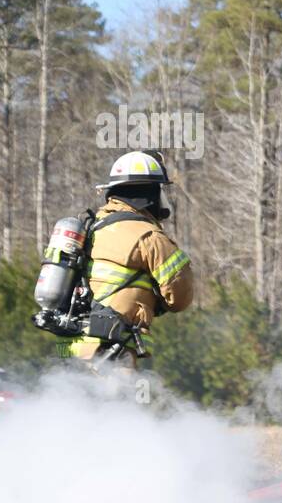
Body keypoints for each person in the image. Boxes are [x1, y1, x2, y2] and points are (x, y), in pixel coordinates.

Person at [58, 150, 194, 367]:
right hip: (113, 352)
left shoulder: (92, 228)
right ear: (149, 194)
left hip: (73, 346)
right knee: (119, 401)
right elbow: (180, 297)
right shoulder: (148, 237)